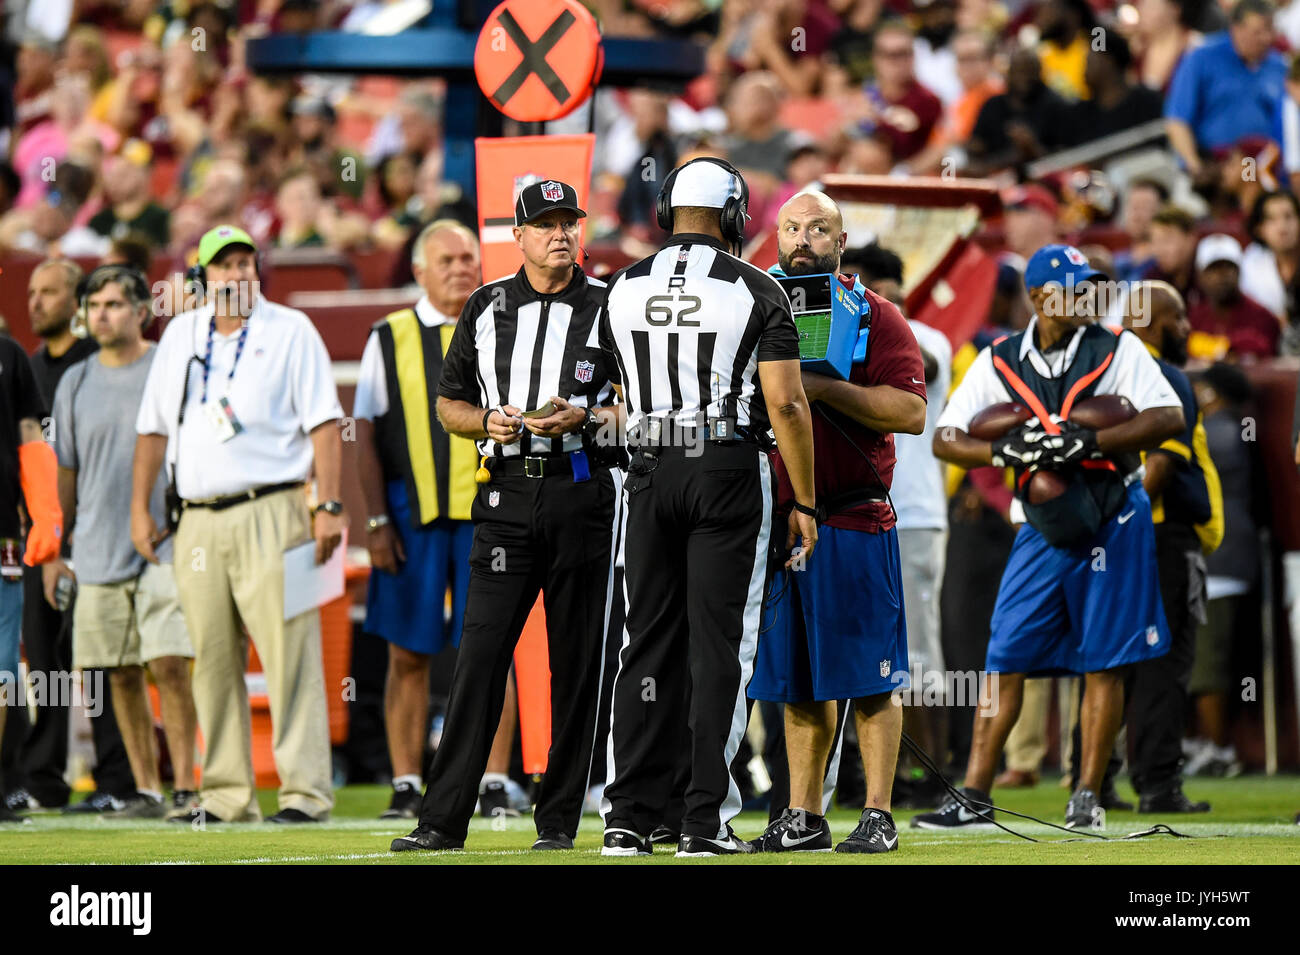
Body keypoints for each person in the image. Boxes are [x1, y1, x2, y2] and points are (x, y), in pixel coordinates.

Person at [390, 180, 623, 853]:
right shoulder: (487, 307)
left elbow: (638, 409)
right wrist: (488, 420)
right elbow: (449, 402)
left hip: (583, 489)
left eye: (567, 222)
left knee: (576, 666)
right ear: (515, 236)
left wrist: (590, 417)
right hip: (506, 497)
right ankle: (441, 819)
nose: (559, 234)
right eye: (544, 224)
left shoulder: (610, 306)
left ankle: (557, 820)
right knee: (481, 656)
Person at [921, 243, 1185, 830]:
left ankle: (1087, 796)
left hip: (1112, 511)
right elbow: (946, 436)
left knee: (1105, 661)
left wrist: (1090, 443)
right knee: (1004, 658)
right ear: (1039, 298)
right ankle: (974, 794)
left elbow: (1168, 416)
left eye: (1090, 286)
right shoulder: (999, 357)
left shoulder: (1118, 346)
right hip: (1041, 524)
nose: (1087, 297)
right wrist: (1001, 449)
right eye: (1073, 288)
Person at [599, 158, 817, 857]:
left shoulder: (621, 286)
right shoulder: (757, 288)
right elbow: (785, 402)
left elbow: (612, 391)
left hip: (649, 467)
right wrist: (804, 499)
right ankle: (703, 818)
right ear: (733, 215)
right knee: (722, 645)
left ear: (665, 210)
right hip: (724, 462)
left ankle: (626, 816)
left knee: (645, 644)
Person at [132, 224, 345, 824]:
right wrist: (137, 509)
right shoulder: (179, 334)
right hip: (196, 519)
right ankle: (226, 794)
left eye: (247, 263)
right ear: (203, 277)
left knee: (291, 653)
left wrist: (329, 505)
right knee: (211, 659)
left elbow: (326, 424)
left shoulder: (290, 330)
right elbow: (152, 430)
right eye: (225, 266)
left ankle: (304, 794)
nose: (238, 274)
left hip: (273, 508)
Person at [748, 195, 926, 855]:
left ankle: (877, 813)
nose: (803, 239)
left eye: (817, 228)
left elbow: (909, 411)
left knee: (870, 674)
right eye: (791, 227)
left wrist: (824, 389)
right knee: (797, 678)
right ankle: (804, 812)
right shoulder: (757, 306)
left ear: (842, 239)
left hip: (854, 514)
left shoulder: (877, 315)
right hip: (780, 519)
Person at [354, 220, 522, 820]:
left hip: (491, 513)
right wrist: (374, 521)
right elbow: (364, 434)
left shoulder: (505, 325)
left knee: (490, 650)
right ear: (419, 271)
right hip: (413, 515)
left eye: (468, 257)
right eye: (446, 260)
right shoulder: (389, 335)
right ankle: (405, 780)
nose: (460, 268)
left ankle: (495, 779)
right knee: (407, 652)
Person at [45, 265, 199, 819]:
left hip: (165, 542)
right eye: (94, 306)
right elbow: (65, 472)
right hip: (94, 548)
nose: (102, 315)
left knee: (171, 664)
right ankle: (148, 791)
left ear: (141, 310)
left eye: (114, 304)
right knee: (120, 672)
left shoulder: (167, 366)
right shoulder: (74, 382)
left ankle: (186, 786)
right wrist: (58, 550)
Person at [1083, 280, 1221, 812]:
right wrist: (1128, 517)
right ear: (1151, 322)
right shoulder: (1165, 376)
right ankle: (1159, 784)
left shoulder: (1106, 372)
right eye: (1179, 317)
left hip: (1114, 540)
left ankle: (1095, 781)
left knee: (1110, 662)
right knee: (1163, 662)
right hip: (1160, 539)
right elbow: (1162, 463)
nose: (1187, 327)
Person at [5, 258, 133, 816]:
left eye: (50, 292)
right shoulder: (26, 366)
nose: (35, 302)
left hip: (97, 535)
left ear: (77, 305)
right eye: (32, 293)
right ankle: (43, 778)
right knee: (44, 661)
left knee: (101, 659)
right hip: (38, 540)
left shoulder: (94, 364)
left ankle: (116, 776)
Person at [851, 241, 953, 809]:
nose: (857, 294)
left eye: (869, 285)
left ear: (898, 291)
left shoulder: (923, 337)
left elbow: (925, 366)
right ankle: (862, 773)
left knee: (920, 655)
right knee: (863, 648)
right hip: (859, 508)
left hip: (913, 512)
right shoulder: (843, 333)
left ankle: (935, 777)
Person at [0, 309, 65, 824]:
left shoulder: (10, 356)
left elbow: (31, 438)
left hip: (2, 536)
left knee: (1, 672)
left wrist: (45, 513)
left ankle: (4, 783)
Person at [1165, 0, 1286, 178]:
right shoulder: (1202, 58)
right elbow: (1177, 120)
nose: (1266, 38)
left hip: (1263, 165)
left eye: (1270, 30)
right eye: (1258, 32)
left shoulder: (1279, 66)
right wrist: (1193, 165)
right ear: (1236, 29)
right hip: (1216, 164)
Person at [1188, 233, 1281, 360]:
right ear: (1200, 276)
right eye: (1214, 269)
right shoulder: (1194, 318)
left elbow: (1264, 350)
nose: (1222, 275)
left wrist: (1224, 346)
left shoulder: (1262, 316)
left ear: (1239, 271)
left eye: (1228, 267)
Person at [1240, 190, 1300, 349]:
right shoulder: (1251, 262)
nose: (1282, 227)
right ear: (1260, 228)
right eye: (1272, 219)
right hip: (1267, 346)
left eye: (1288, 216)